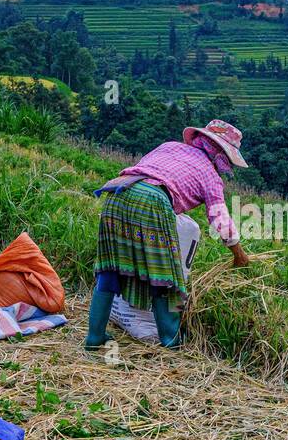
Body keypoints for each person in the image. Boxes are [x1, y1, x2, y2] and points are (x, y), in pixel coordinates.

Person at [86, 119, 250, 349]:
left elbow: (148, 171)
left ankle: (94, 338)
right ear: (221, 154)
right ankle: (171, 341)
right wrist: (239, 255)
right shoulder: (211, 177)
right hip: (152, 200)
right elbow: (219, 218)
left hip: (118, 191)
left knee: (111, 268)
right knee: (165, 278)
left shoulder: (169, 146)